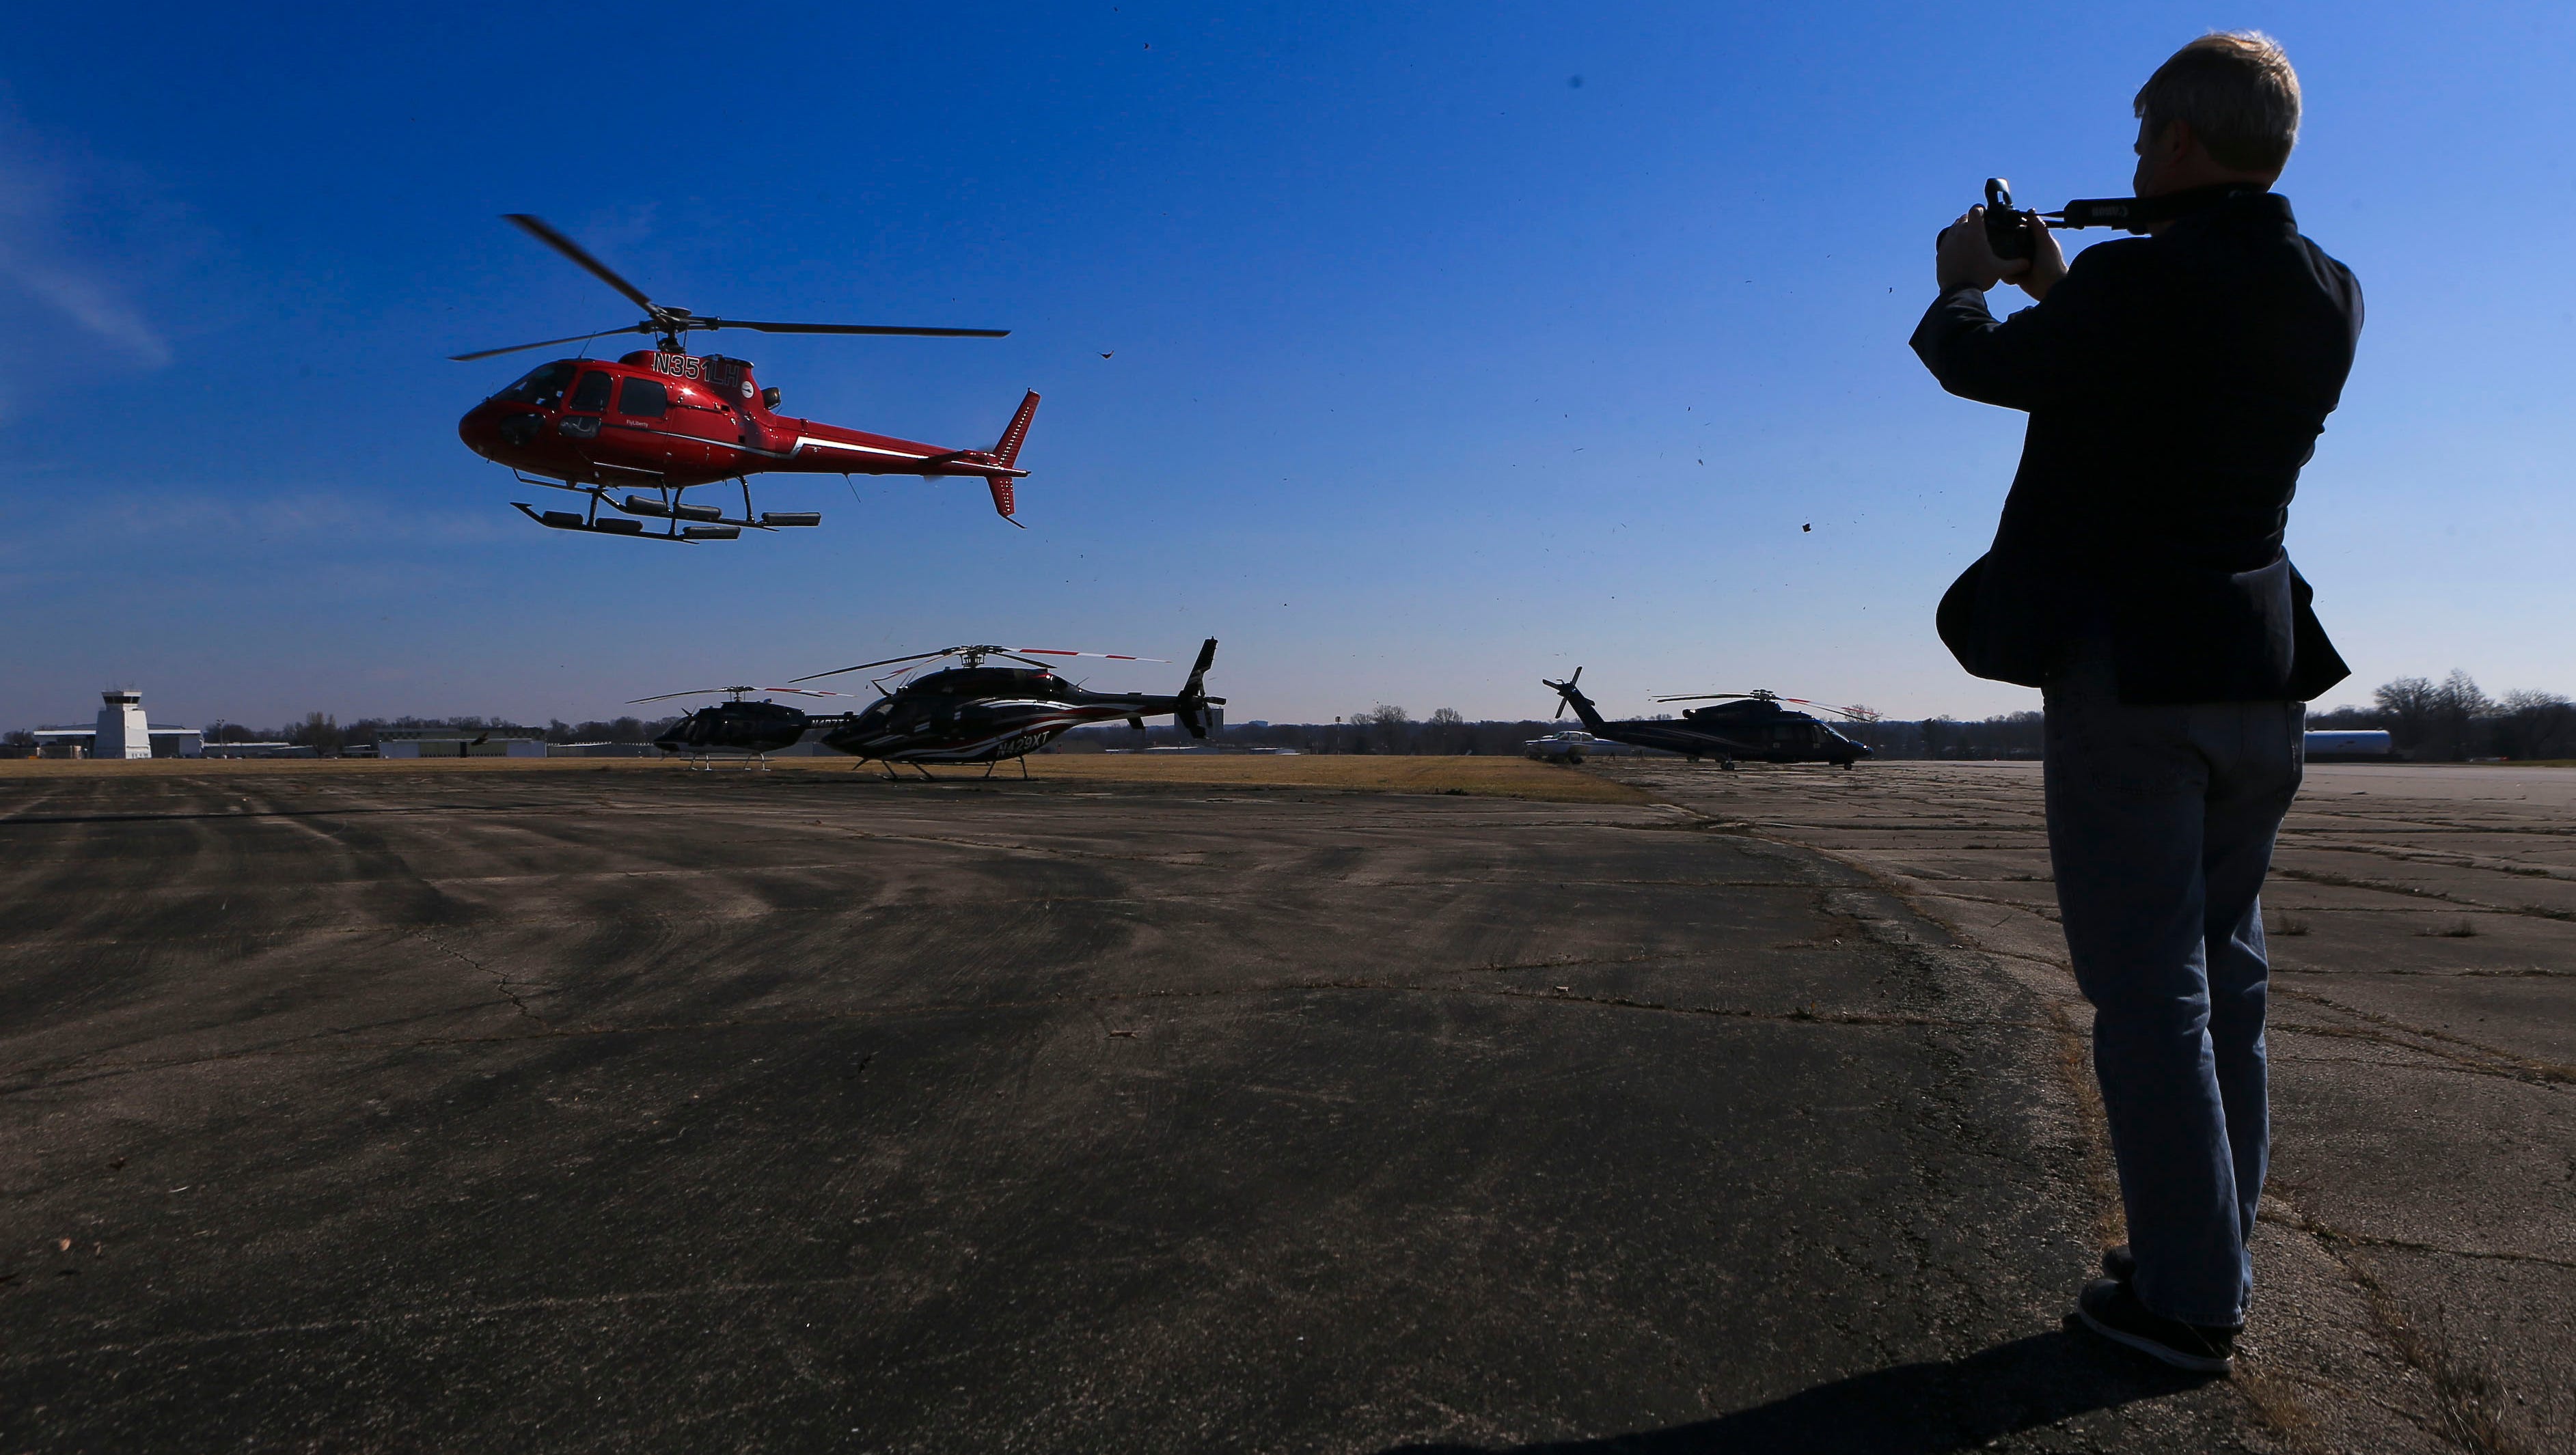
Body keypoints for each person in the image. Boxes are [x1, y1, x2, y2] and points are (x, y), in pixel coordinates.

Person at [1910, 32, 2361, 1373]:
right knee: (2229, 981)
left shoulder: (2138, 282)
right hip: (2261, 668)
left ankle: (2184, 1302)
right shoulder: (2325, 287)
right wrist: (2058, 276)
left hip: (2135, 679)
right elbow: (2149, 364)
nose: (2126, 158)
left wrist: (1961, 286)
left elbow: (1979, 365)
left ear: (2171, 139)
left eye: (2134, 136)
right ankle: (2204, 1249)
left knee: (2147, 993)